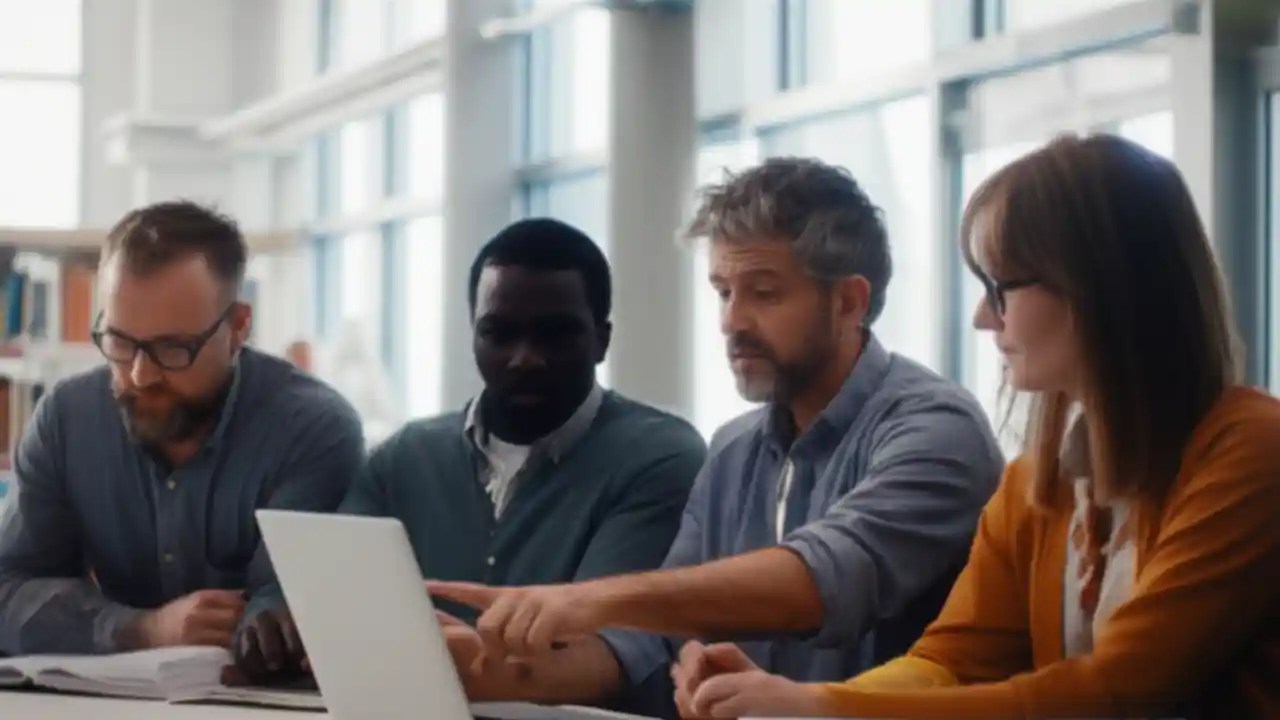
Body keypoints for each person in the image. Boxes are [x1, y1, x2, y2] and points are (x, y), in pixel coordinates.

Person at [674, 135, 1280, 719]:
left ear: (1096, 287)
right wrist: (787, 702)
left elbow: (1118, 691)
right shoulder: (1036, 484)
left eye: (1001, 287)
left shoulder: (1251, 448)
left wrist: (822, 706)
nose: (983, 316)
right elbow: (950, 662)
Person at [428, 158, 1004, 715]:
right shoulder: (733, 449)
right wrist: (482, 666)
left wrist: (582, 599)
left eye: (764, 292)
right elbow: (645, 640)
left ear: (849, 302)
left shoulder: (935, 428)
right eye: (724, 291)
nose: (732, 321)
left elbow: (825, 576)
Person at [232, 218, 706, 686]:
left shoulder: (660, 458)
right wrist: (280, 618)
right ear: (473, 334)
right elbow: (333, 593)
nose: (524, 357)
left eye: (554, 335)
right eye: (498, 334)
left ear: (602, 339)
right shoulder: (403, 458)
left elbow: (609, 649)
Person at [0, 201, 364, 658]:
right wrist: (141, 630)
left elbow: (288, 608)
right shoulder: (66, 420)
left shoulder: (314, 430)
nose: (139, 375)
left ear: (238, 328)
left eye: (173, 348)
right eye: (118, 342)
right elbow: (7, 592)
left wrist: (266, 627)